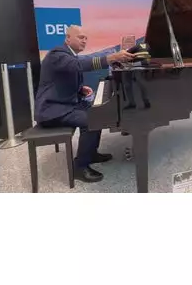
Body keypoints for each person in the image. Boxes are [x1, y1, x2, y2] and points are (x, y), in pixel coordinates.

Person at [35, 25, 135, 183]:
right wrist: (112, 58)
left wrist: (80, 90)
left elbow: (62, 79)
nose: (84, 41)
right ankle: (80, 167)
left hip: (65, 104)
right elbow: (78, 66)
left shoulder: (68, 55)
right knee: (91, 120)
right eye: (80, 37)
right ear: (68, 38)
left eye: (86, 38)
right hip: (52, 110)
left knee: (97, 112)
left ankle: (91, 153)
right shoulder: (57, 54)